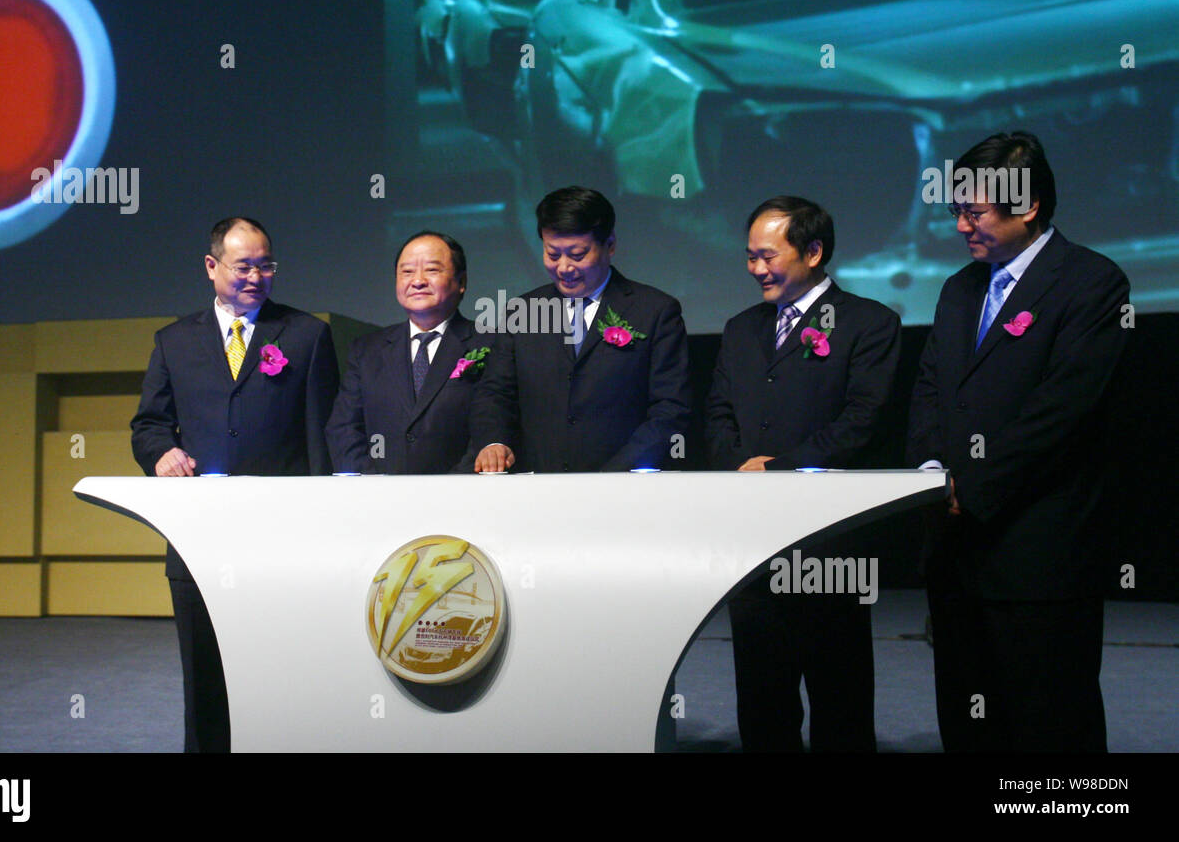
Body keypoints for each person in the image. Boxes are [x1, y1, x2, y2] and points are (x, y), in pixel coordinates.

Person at [907, 132, 1129, 752]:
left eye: (973, 212)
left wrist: (972, 487)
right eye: (954, 210)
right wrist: (930, 476)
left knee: (1050, 723)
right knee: (967, 715)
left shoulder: (1092, 283)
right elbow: (929, 390)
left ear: (1027, 206)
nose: (959, 226)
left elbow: (1062, 413)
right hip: (956, 552)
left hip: (1038, 552)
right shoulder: (959, 289)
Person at [130, 217, 339, 752]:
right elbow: (149, 425)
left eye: (265, 265)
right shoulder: (174, 341)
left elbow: (324, 433)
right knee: (203, 675)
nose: (256, 276)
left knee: (281, 672)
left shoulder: (307, 334)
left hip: (283, 538)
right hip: (198, 537)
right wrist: (160, 455)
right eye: (243, 264)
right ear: (211, 266)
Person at [705, 196, 901, 752]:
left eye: (767, 255)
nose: (755, 269)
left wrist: (778, 469)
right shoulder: (740, 328)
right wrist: (735, 466)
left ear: (813, 252)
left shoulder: (870, 322)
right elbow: (717, 413)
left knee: (840, 695)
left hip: (831, 541)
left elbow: (865, 421)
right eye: (749, 256)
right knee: (762, 699)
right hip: (752, 541)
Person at [470, 186, 692, 474]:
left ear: (609, 244)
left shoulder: (655, 311)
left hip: (625, 486)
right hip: (537, 485)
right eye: (552, 254)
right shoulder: (521, 311)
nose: (563, 267)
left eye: (577, 254)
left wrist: (613, 475)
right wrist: (493, 442)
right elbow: (494, 393)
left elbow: (671, 409)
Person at [327, 231, 484, 474]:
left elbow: (494, 427)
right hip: (380, 500)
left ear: (461, 282)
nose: (418, 281)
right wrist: (376, 486)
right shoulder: (367, 350)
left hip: (462, 499)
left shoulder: (490, 344)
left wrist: (454, 488)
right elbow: (344, 428)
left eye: (432, 270)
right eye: (407, 272)